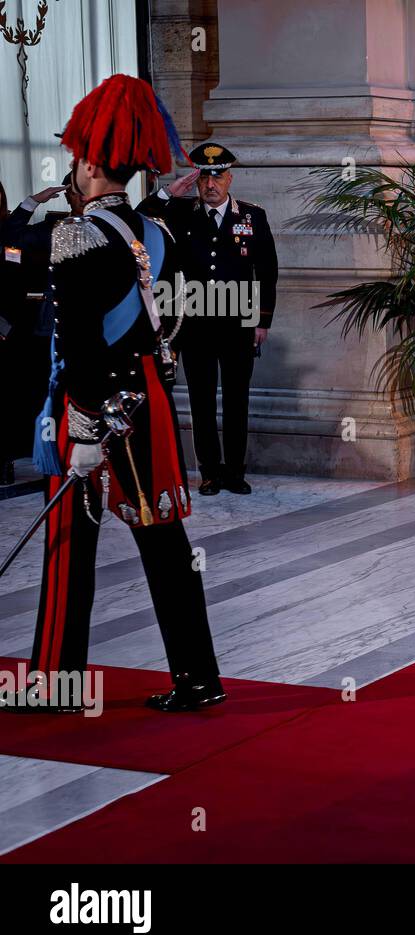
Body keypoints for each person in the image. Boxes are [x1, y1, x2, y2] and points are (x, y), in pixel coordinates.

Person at [1, 74, 223, 714]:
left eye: (76, 156)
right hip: (146, 402)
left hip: (91, 408)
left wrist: (87, 424)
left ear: (93, 162)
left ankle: (56, 684)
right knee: (164, 541)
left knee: (69, 547)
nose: (72, 166)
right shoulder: (158, 233)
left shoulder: (76, 235)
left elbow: (78, 346)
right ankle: (198, 677)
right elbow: (174, 323)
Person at [138, 142, 279, 496]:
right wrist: (169, 193)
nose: (211, 185)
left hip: (238, 323)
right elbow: (139, 220)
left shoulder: (251, 216)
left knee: (236, 399)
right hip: (195, 323)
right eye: (204, 179)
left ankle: (234, 472)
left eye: (217, 177)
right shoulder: (181, 213)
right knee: (201, 401)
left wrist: (262, 322)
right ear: (197, 182)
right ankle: (210, 473)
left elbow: (266, 270)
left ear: (229, 178)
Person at [0, 177, 80, 486]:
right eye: (74, 190)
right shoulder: (55, 230)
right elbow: (11, 235)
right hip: (50, 330)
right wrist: (33, 202)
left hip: (95, 331)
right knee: (45, 397)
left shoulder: (107, 227)